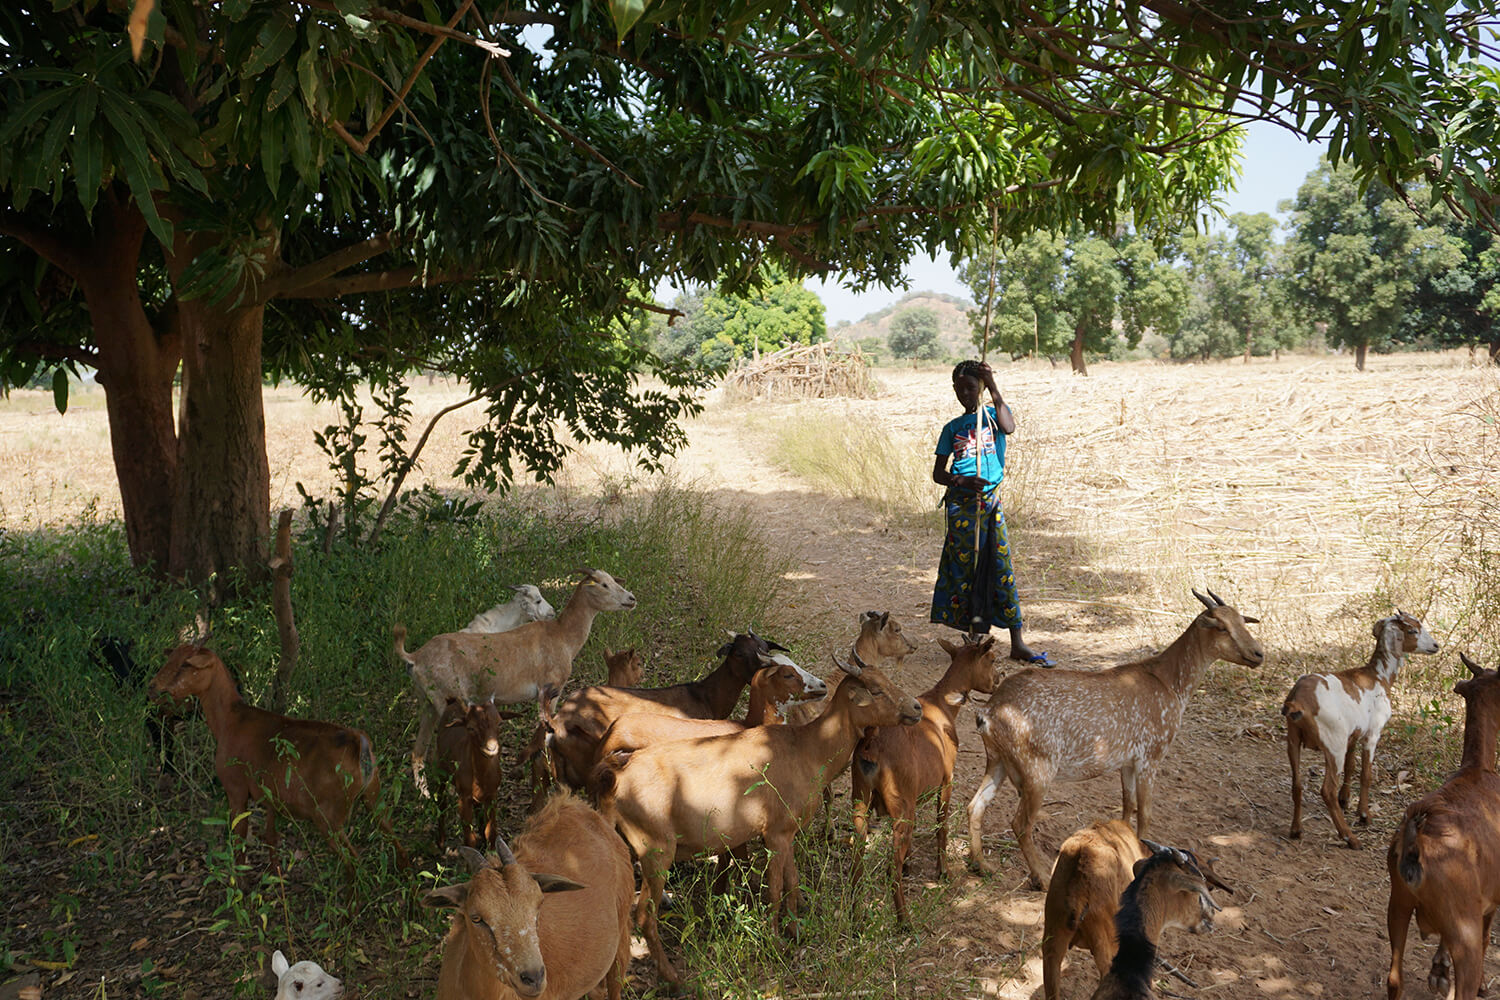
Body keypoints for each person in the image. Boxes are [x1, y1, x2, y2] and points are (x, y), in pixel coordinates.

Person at [929, 360, 1054, 666]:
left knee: (999, 567)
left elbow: (1010, 427)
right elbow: (937, 473)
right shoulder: (952, 428)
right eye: (959, 389)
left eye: (971, 388)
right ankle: (972, 640)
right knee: (966, 570)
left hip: (989, 504)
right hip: (961, 507)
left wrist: (994, 386)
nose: (965, 395)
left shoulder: (993, 419)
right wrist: (961, 480)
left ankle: (1017, 642)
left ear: (981, 388)